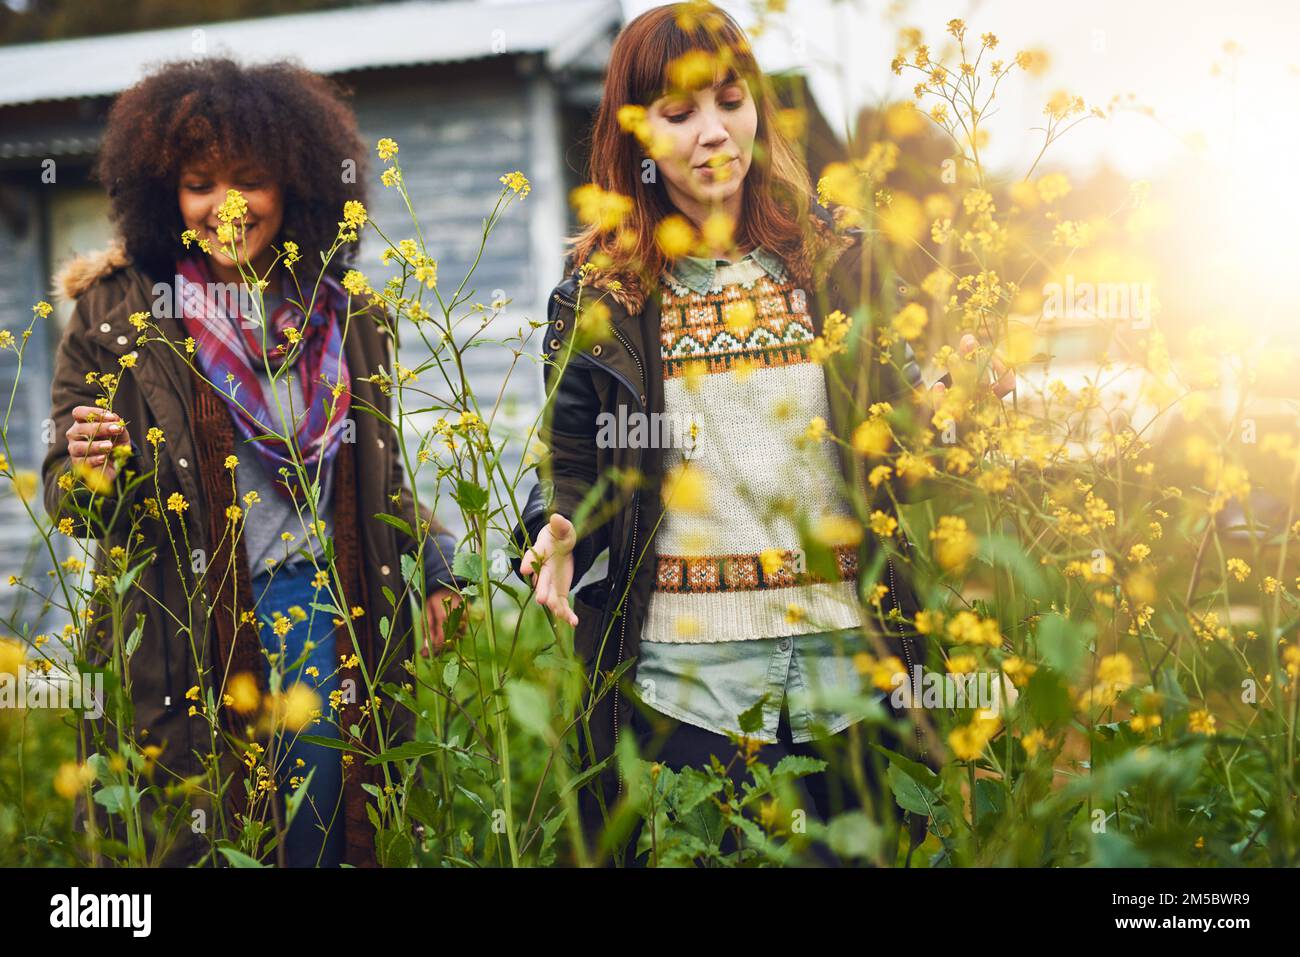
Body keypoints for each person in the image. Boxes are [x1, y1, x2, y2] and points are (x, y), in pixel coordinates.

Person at [514, 2, 1014, 864]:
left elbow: (902, 445)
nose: (715, 134)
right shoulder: (600, 296)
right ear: (635, 136)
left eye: (731, 102)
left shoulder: (840, 267)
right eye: (679, 115)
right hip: (688, 689)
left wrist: (955, 407)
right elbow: (567, 463)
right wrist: (552, 530)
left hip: (851, 674)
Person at [43, 59, 460, 867]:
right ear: (167, 194)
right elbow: (67, 490)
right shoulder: (118, 309)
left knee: (318, 842)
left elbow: (381, 479)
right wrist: (95, 470)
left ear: (295, 183)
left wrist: (439, 563)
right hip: (180, 628)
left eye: (250, 180)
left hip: (323, 621)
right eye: (200, 184)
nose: (225, 206)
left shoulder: (349, 313)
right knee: (192, 841)